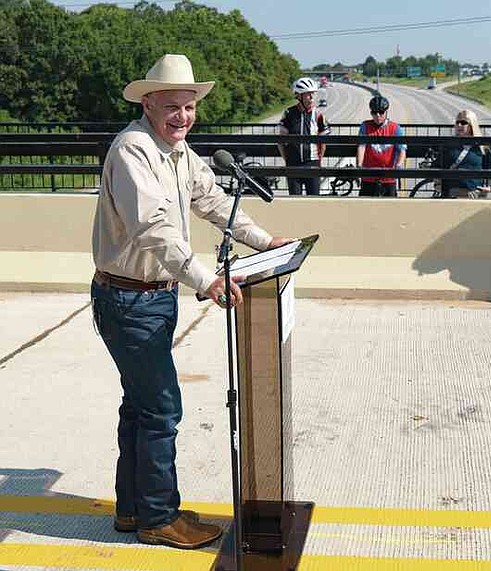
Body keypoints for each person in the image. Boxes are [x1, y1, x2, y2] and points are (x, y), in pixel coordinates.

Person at [91, 54, 291, 549]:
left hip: (153, 298)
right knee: (160, 410)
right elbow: (153, 230)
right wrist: (206, 280)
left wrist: (264, 243)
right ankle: (159, 518)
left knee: (140, 407)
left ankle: (134, 508)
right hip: (130, 300)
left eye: (190, 107)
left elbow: (215, 202)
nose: (184, 117)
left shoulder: (178, 152)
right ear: (148, 102)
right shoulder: (134, 151)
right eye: (174, 107)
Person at [278, 77, 331, 196]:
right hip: (293, 164)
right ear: (299, 96)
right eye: (308, 94)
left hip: (312, 164)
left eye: (313, 94)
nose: (312, 97)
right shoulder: (288, 113)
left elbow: (323, 142)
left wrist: (318, 160)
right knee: (294, 200)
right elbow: (281, 140)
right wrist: (287, 159)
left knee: (313, 200)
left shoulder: (318, 115)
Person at [435, 109, 491, 198]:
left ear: (472, 125)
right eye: (457, 122)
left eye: (463, 122)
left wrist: (489, 187)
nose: (459, 125)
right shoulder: (448, 145)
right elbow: (437, 166)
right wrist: (439, 185)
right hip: (453, 192)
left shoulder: (482, 147)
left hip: (476, 193)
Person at [356, 95, 407, 197]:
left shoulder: (395, 128)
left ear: (386, 112)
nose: (378, 115)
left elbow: (402, 150)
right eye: (374, 113)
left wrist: (398, 166)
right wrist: (359, 166)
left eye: (381, 112)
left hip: (388, 177)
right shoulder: (365, 126)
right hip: (368, 176)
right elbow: (361, 146)